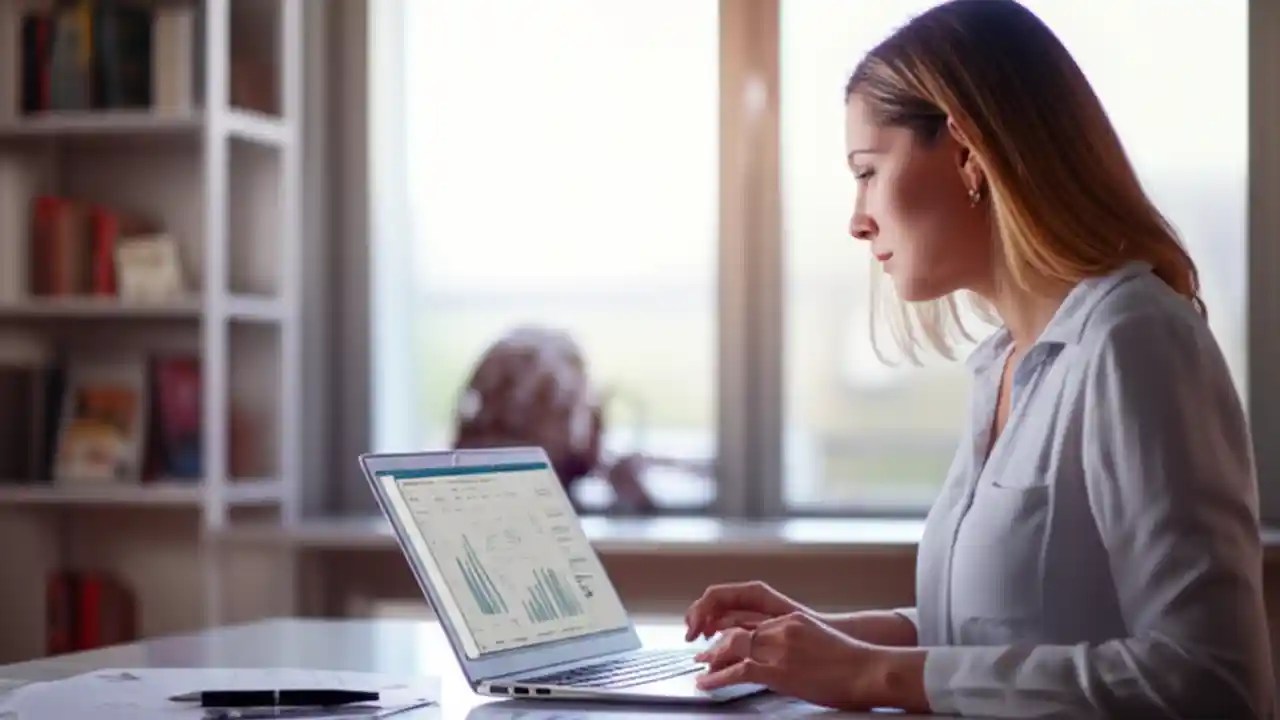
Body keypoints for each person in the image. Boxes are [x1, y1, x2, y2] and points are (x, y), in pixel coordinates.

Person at [683, 1, 1274, 717]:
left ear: (966, 152)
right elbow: (1011, 629)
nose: (857, 217)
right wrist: (821, 641)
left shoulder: (1133, 339)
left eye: (868, 170)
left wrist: (875, 677)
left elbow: (1213, 682)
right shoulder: (1006, 365)